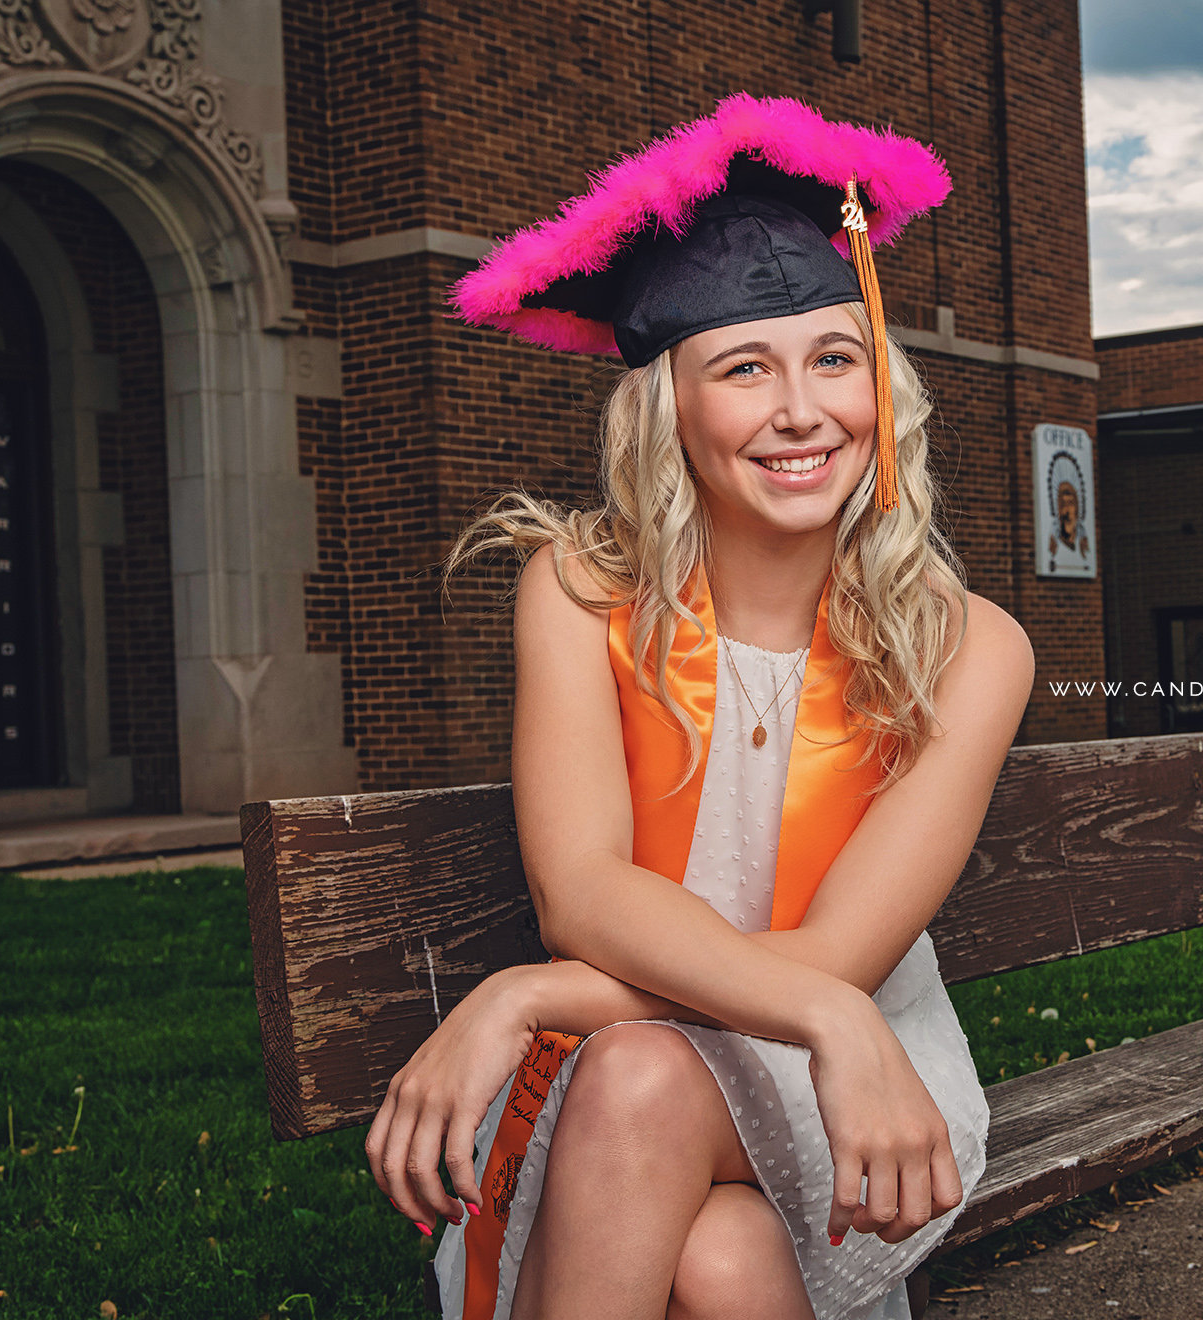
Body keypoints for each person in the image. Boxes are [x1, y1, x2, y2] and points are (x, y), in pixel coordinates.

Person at [360, 93, 1035, 1320]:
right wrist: (828, 1013)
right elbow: (584, 892)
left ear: (882, 386)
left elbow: (837, 965)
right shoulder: (581, 594)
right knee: (705, 1228)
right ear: (669, 406)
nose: (802, 411)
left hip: (851, 1081)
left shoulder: (969, 649)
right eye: (745, 368)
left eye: (835, 358)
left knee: (639, 1084)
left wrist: (527, 995)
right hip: (688, 1067)